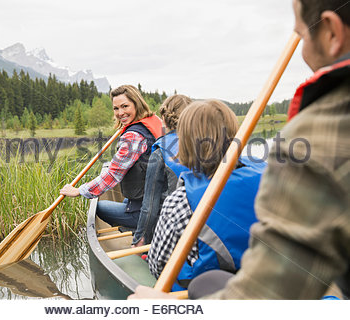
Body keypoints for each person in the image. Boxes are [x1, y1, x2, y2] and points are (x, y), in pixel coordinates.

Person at [129, 0, 350, 299]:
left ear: (332, 32)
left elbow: (158, 256)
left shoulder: (181, 199)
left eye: (302, 35)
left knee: (202, 284)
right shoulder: (264, 171)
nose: (303, 53)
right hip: (260, 270)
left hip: (224, 281)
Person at [146, 100, 266, 291]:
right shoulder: (271, 178)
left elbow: (157, 265)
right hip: (269, 279)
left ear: (184, 141)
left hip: (212, 292)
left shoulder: (179, 202)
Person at [60, 85, 163, 230]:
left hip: (148, 211)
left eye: (125, 106)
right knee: (127, 199)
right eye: (116, 108)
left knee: (100, 207)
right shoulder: (154, 120)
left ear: (136, 104)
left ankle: (138, 229)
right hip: (160, 200)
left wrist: (79, 191)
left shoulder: (133, 136)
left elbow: (113, 174)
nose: (120, 113)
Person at [132, 94, 192, 247]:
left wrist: (139, 239)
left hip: (173, 223)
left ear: (164, 119)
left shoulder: (160, 152)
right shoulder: (208, 142)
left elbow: (149, 206)